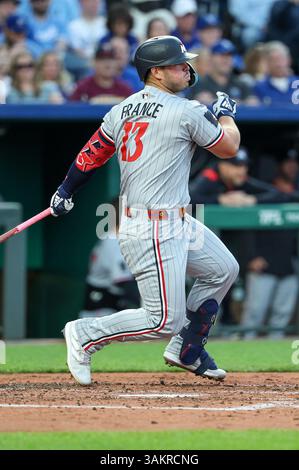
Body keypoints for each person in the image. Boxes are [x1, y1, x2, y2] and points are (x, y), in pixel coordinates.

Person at [50, 35, 240, 386]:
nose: (187, 68)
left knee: (223, 269)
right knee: (162, 320)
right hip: (151, 227)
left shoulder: (121, 108)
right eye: (178, 63)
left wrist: (66, 189)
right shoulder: (188, 110)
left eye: (186, 62)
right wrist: (226, 116)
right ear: (155, 72)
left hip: (179, 220)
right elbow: (228, 148)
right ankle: (86, 333)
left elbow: (92, 154)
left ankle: (188, 347)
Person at [241, 150, 299, 339]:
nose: (292, 166)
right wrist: (250, 256)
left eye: (294, 163)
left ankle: (270, 358)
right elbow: (245, 230)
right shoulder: (265, 191)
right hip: (263, 264)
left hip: (289, 266)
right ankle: (242, 357)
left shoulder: (295, 194)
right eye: (287, 162)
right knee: (254, 315)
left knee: (281, 317)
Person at [79, 199, 140, 319]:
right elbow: (124, 283)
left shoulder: (114, 236)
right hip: (100, 310)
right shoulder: (114, 242)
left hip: (110, 303)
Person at [187, 39, 258, 105]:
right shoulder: (199, 84)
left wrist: (212, 101)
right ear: (211, 58)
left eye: (229, 55)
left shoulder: (242, 85)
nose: (226, 59)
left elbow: (252, 103)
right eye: (222, 55)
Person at [69, 44, 133, 104]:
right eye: (102, 59)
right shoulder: (83, 88)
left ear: (117, 63)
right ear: (94, 63)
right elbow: (72, 109)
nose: (107, 64)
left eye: (111, 59)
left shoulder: (125, 89)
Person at [65, 0, 106, 80]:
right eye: (91, 1)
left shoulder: (105, 23)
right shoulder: (74, 25)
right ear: (82, 3)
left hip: (103, 59)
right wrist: (93, 61)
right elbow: (77, 49)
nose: (94, 4)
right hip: (83, 62)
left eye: (96, 2)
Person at [254, 41, 299, 105]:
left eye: (281, 59)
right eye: (274, 60)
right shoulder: (259, 87)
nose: (278, 64)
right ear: (267, 63)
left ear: (289, 60)